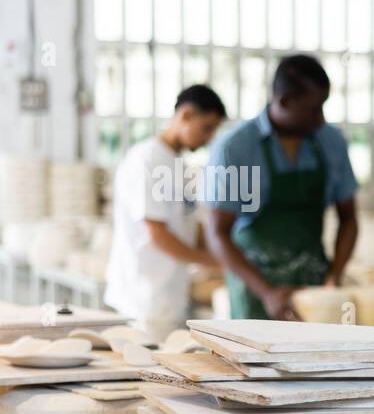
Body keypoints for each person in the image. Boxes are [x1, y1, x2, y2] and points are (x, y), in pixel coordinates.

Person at [205, 55, 359, 320]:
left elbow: (349, 218)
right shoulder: (237, 148)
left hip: (312, 283)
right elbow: (217, 234)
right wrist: (267, 292)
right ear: (285, 101)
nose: (321, 118)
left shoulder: (331, 142)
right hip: (255, 288)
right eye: (314, 108)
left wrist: (334, 275)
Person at [104, 84, 226, 342]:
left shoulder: (178, 164)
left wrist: (226, 253)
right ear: (186, 115)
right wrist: (215, 262)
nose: (210, 138)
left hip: (169, 295)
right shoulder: (146, 159)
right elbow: (157, 234)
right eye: (207, 128)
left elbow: (189, 223)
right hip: (143, 300)